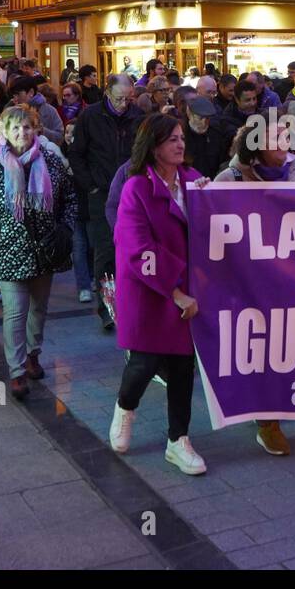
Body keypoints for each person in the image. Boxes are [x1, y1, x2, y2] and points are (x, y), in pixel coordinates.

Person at [109, 115, 208, 474]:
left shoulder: (195, 182)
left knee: (183, 368)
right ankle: (125, 407)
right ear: (153, 147)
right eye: (172, 140)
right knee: (143, 363)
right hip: (149, 290)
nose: (181, 145)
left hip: (187, 290)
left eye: (182, 138)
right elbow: (136, 246)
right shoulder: (136, 187)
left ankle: (178, 440)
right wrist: (175, 290)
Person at [215, 117, 295, 455]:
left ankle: (278, 408)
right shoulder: (232, 178)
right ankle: (267, 421)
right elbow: (211, 222)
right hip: (249, 282)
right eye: (275, 136)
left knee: (286, 346)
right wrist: (201, 193)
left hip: (290, 279)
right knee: (260, 347)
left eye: (287, 135)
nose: (284, 141)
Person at [0, 105, 76, 399]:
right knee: (15, 312)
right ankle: (16, 371)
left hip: (45, 251)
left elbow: (70, 200)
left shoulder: (51, 163)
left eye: (27, 127)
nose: (21, 133)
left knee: (38, 310)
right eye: (15, 128)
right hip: (9, 252)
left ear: (36, 129)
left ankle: (33, 353)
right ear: (3, 131)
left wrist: (65, 230)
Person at [68, 73, 143, 330]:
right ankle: (108, 309)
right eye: (119, 99)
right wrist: (90, 185)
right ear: (107, 95)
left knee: (135, 249)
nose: (124, 104)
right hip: (101, 193)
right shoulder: (90, 117)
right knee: (105, 252)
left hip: (132, 192)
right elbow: (76, 155)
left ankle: (133, 306)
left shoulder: (138, 116)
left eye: (128, 99)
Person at [183, 95, 231, 177]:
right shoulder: (181, 135)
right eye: (200, 118)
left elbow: (223, 162)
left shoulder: (216, 135)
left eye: (208, 118)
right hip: (188, 183)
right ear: (189, 113)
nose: (204, 123)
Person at [9, 76, 64, 145]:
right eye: (13, 96)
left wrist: (42, 130)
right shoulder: (12, 110)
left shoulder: (49, 110)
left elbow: (60, 137)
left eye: (17, 95)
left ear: (31, 92)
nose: (15, 99)